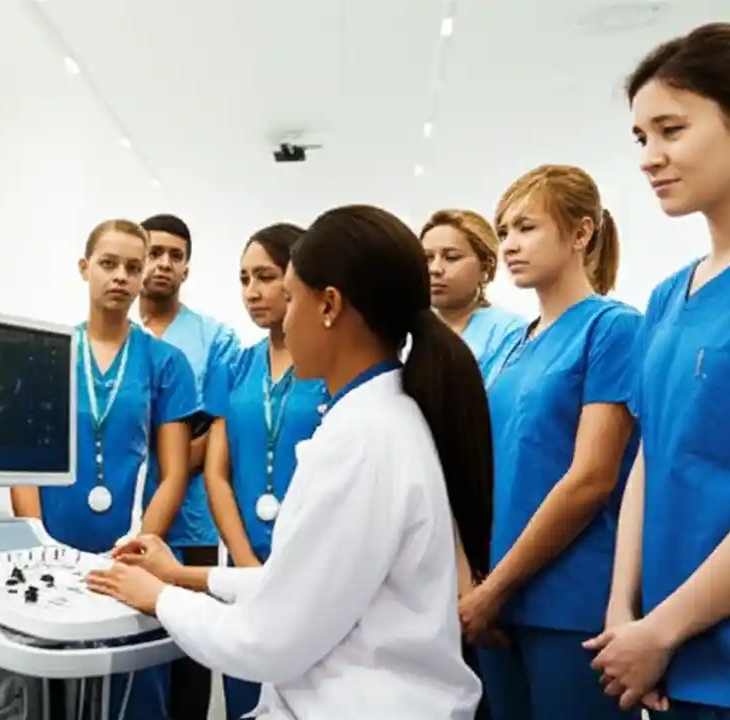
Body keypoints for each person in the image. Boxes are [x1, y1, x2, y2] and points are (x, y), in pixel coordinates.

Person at [87, 204, 491, 719]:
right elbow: (301, 583)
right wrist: (183, 577)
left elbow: (267, 639)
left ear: (328, 306)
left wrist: (158, 598)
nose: (278, 309)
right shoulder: (381, 418)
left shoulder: (365, 439)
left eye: (290, 294)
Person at [587, 22, 730, 719]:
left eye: (672, 130)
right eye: (640, 138)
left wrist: (664, 626)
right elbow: (650, 454)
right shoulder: (665, 299)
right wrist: (626, 612)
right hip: (664, 661)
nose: (650, 156)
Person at [458, 165, 642, 720]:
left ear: (581, 233)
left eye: (526, 228)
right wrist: (481, 589)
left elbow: (591, 479)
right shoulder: (513, 344)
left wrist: (493, 592)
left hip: (571, 606)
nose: (509, 245)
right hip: (501, 605)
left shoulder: (612, 328)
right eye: (504, 230)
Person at [11, 218, 199, 719]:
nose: (121, 276)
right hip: (51, 553)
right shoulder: (45, 355)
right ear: (84, 268)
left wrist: (137, 551)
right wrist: (38, 545)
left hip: (131, 553)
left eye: (132, 268)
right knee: (52, 693)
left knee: (132, 696)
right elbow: (25, 465)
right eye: (108, 264)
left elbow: (174, 471)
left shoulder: (166, 363)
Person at [200, 222, 330, 719]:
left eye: (266, 276)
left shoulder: (329, 365)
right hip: (244, 563)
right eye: (244, 278)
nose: (252, 292)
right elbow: (216, 472)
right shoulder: (235, 365)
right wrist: (244, 561)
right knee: (245, 696)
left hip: (312, 564)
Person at [137, 213, 239, 720]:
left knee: (185, 664)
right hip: (120, 524)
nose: (163, 263)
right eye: (154, 252)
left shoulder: (214, 339)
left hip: (190, 527)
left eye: (175, 255)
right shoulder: (113, 332)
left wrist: (171, 468)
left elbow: (221, 431)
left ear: (187, 268)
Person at [420, 208, 527, 378]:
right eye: (427, 258)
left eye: (452, 257)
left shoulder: (511, 332)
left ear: (486, 266)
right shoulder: (408, 335)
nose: (435, 269)